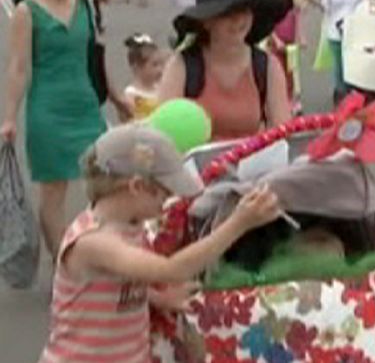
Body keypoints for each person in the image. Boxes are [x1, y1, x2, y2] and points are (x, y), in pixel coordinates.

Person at [39, 124, 281, 363]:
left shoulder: (131, 226)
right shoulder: (94, 242)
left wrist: (156, 297)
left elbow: (118, 282)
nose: (167, 202)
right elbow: (171, 270)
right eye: (164, 193)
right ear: (137, 186)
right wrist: (238, 223)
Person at [1, 0, 127, 260]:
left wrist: (117, 98)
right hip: (48, 110)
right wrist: (10, 117)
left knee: (105, 184)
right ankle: (64, 264)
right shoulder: (27, 12)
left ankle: (98, 251)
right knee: (54, 192)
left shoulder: (85, 3)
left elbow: (94, 60)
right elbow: (18, 68)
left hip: (85, 106)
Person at [158, 0, 293, 141]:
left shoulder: (267, 66)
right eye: (226, 14)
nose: (238, 20)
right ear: (206, 22)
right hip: (195, 165)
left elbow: (282, 132)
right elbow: (162, 133)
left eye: (243, 11)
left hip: (254, 163)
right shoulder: (182, 65)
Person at [319, 0, 366, 103]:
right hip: (335, 30)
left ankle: (353, 90)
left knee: (353, 62)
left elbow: (363, 4)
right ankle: (340, 91)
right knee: (339, 64)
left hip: (354, 29)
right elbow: (325, 8)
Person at [267, 0, 307, 115]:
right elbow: (269, 25)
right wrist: (276, 40)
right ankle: (277, 102)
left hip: (290, 45)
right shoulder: (274, 7)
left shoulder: (294, 7)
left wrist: (301, 38)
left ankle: (292, 101)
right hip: (276, 44)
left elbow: (298, 22)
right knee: (278, 73)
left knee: (291, 73)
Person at [124, 33, 166, 120]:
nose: (160, 70)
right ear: (137, 68)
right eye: (154, 65)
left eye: (161, 64)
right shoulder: (131, 95)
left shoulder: (162, 88)